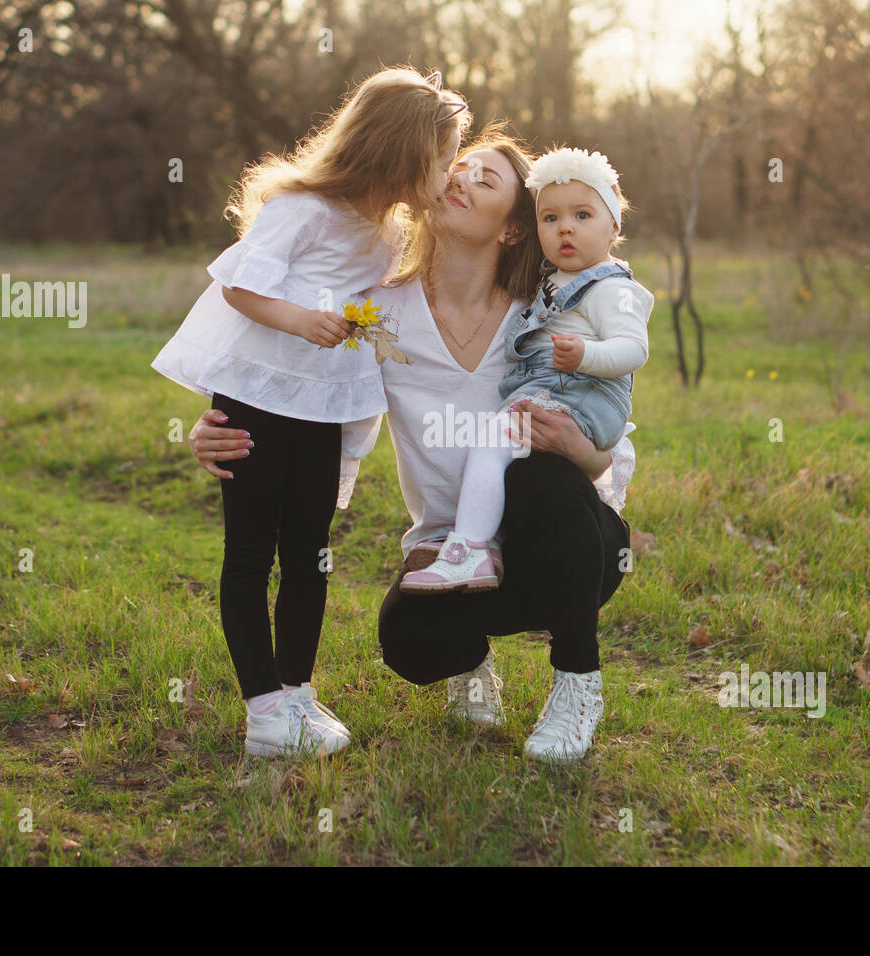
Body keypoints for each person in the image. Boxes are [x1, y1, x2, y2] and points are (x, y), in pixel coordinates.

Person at [189, 124, 638, 763]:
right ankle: (471, 662)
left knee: (540, 476)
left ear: (513, 228)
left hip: (567, 545)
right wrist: (225, 423)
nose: (460, 179)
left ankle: (575, 686)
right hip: (451, 557)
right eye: (458, 169)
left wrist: (582, 450)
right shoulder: (378, 313)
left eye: (486, 181)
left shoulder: (540, 316)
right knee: (407, 640)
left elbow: (609, 433)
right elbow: (301, 371)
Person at [152, 67, 469, 758]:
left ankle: (296, 691)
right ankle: (264, 711)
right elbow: (238, 283)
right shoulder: (303, 208)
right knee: (249, 555)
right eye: (443, 155)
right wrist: (300, 320)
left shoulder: (389, 228)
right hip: (259, 399)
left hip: (323, 406)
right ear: (402, 151)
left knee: (310, 555)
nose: (449, 169)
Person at [400, 146, 652, 594]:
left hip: (578, 401)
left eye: (582, 215)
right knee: (505, 452)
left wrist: (584, 361)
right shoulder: (547, 286)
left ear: (615, 225)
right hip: (558, 394)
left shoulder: (611, 288)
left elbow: (634, 350)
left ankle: (472, 549)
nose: (566, 228)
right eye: (551, 219)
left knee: (499, 445)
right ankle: (472, 547)